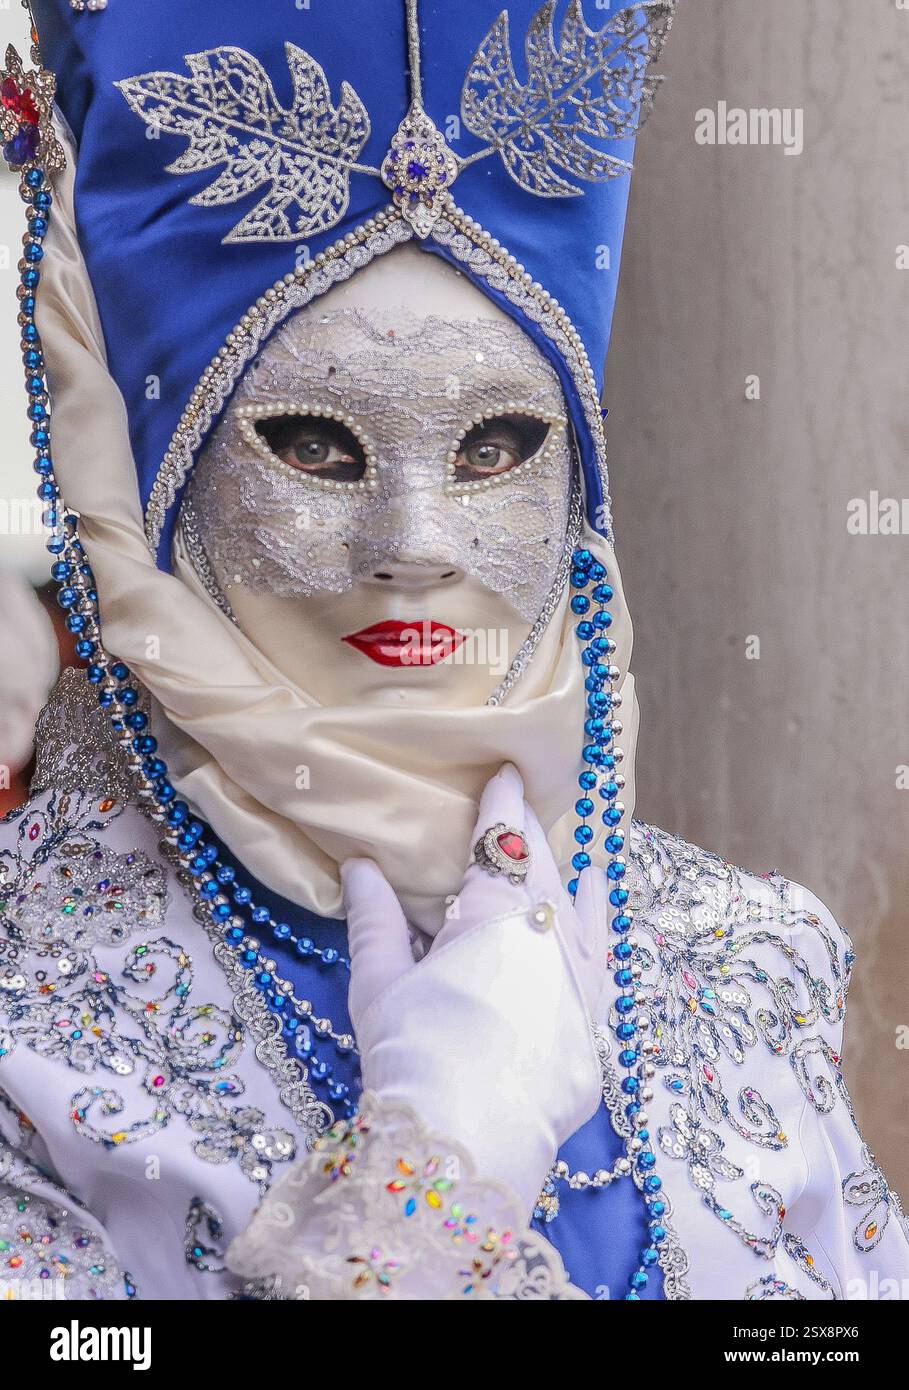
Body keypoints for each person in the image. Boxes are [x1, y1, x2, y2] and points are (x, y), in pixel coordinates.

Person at [0, 0, 905, 1300]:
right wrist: (431, 1187)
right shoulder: (29, 1013)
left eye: (494, 446)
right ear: (149, 487)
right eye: (313, 443)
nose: (413, 542)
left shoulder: (732, 952)